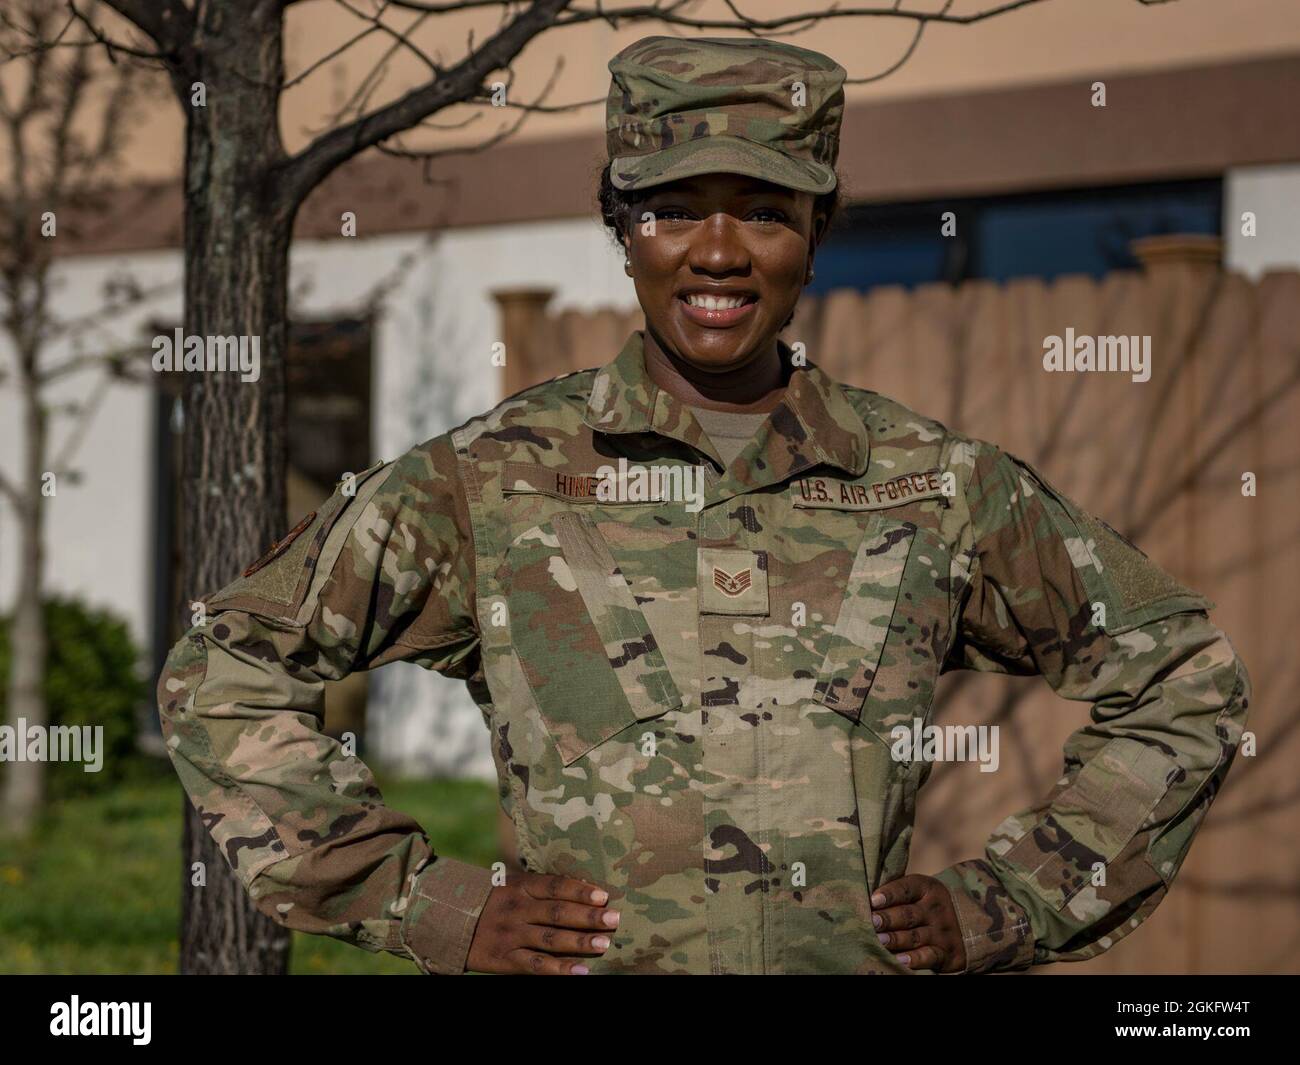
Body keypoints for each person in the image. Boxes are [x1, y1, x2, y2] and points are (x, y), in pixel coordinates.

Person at [156, 35, 1250, 975]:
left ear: (817, 233)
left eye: (765, 213)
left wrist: (1009, 905)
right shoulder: (491, 479)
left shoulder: (935, 484)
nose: (717, 252)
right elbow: (227, 667)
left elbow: (1183, 681)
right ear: (620, 227)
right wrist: (432, 905)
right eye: (672, 209)